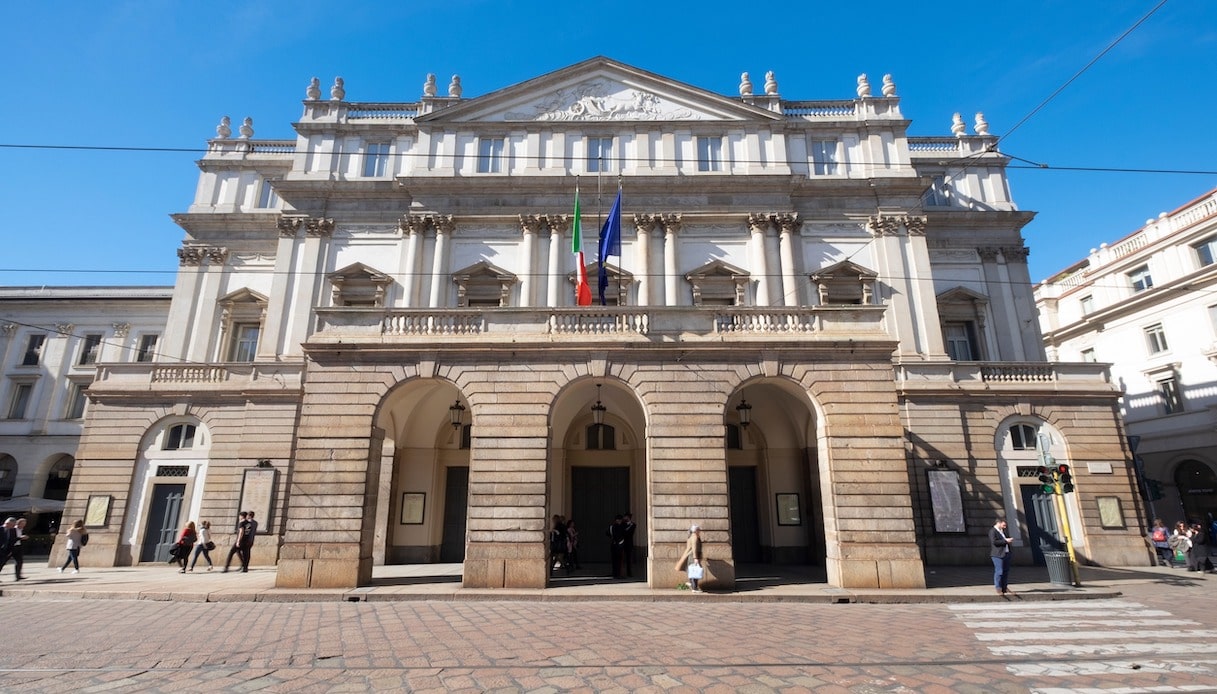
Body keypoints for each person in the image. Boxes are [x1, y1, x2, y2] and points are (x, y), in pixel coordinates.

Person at [675, 524, 704, 592]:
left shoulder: (691, 536)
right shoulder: (694, 537)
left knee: (692, 571)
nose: (699, 531)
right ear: (695, 530)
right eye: (698, 529)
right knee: (694, 571)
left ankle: (693, 585)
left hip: (691, 555)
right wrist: (695, 558)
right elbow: (694, 548)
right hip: (692, 556)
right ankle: (694, 588)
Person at [989, 516, 1013, 595]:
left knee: (1006, 571)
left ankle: (1004, 587)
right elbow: (994, 542)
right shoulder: (993, 531)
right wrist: (1006, 541)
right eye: (1004, 525)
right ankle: (998, 588)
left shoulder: (1003, 531)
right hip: (997, 554)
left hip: (1006, 553)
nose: (1005, 527)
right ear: (999, 523)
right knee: (999, 571)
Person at [622, 513, 637, 578]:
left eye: (625, 517)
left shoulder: (633, 525)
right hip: (622, 543)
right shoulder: (622, 524)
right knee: (621, 559)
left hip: (629, 544)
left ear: (628, 517)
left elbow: (629, 533)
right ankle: (620, 572)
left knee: (629, 559)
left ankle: (629, 573)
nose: (624, 518)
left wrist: (625, 532)